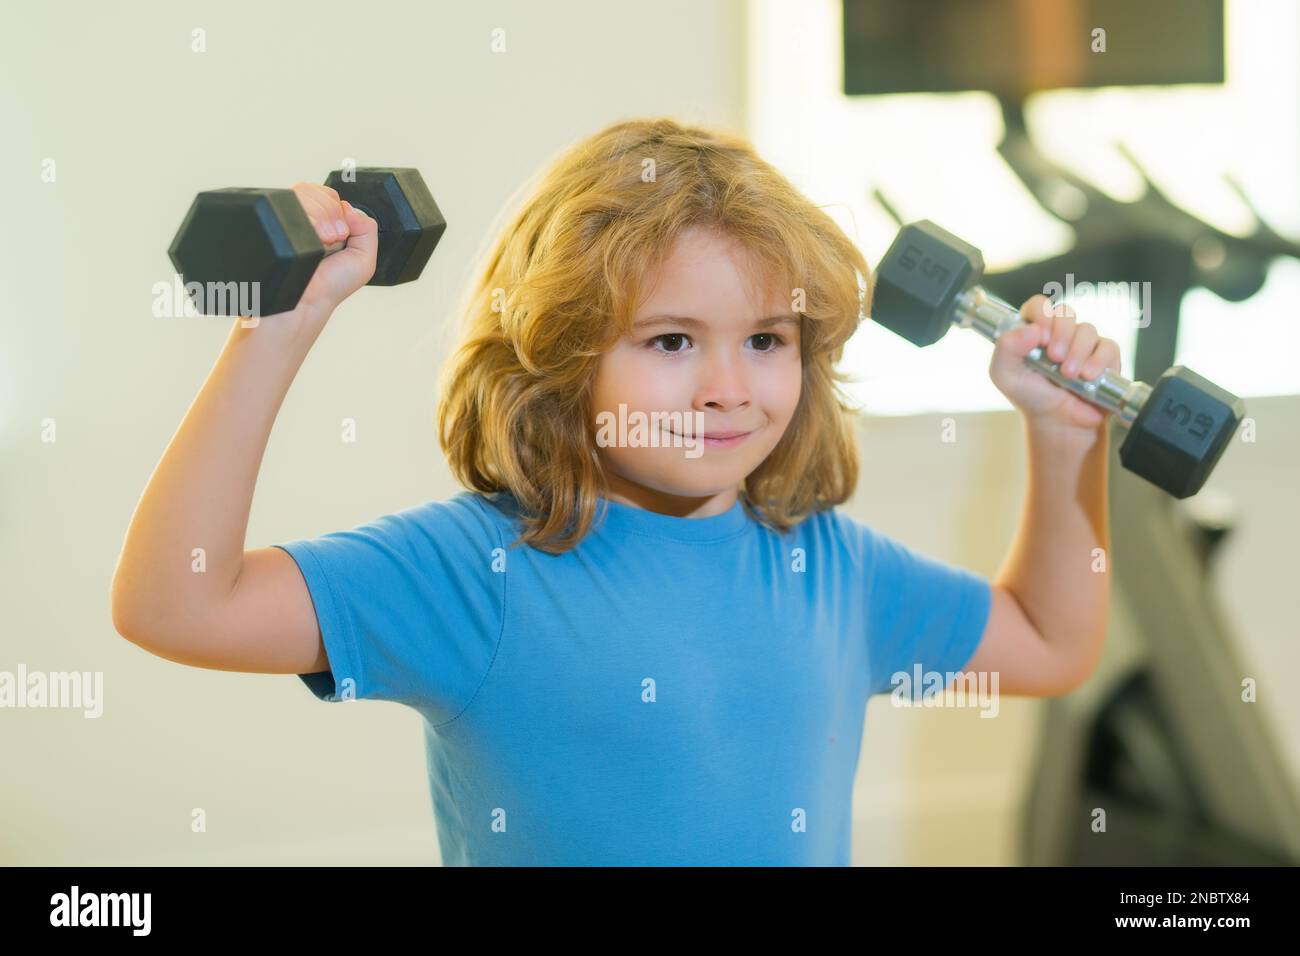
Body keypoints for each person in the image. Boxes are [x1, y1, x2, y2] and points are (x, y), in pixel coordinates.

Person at [112, 117, 1119, 865]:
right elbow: (177, 603)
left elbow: (1046, 640)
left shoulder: (824, 561)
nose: (728, 385)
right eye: (672, 340)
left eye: (765, 339)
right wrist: (276, 331)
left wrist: (1063, 436)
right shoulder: (478, 571)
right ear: (558, 355)